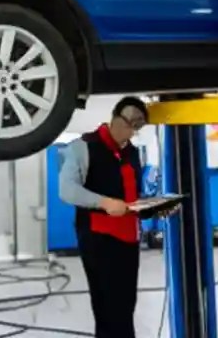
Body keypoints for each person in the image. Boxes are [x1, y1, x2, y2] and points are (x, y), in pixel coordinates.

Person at [58, 96, 150, 338]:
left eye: (136, 126)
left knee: (126, 306)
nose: (130, 130)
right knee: (108, 309)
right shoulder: (83, 146)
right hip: (99, 239)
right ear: (114, 116)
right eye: (127, 122)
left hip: (128, 239)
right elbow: (67, 190)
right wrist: (104, 202)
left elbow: (131, 194)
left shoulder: (131, 152)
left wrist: (153, 206)